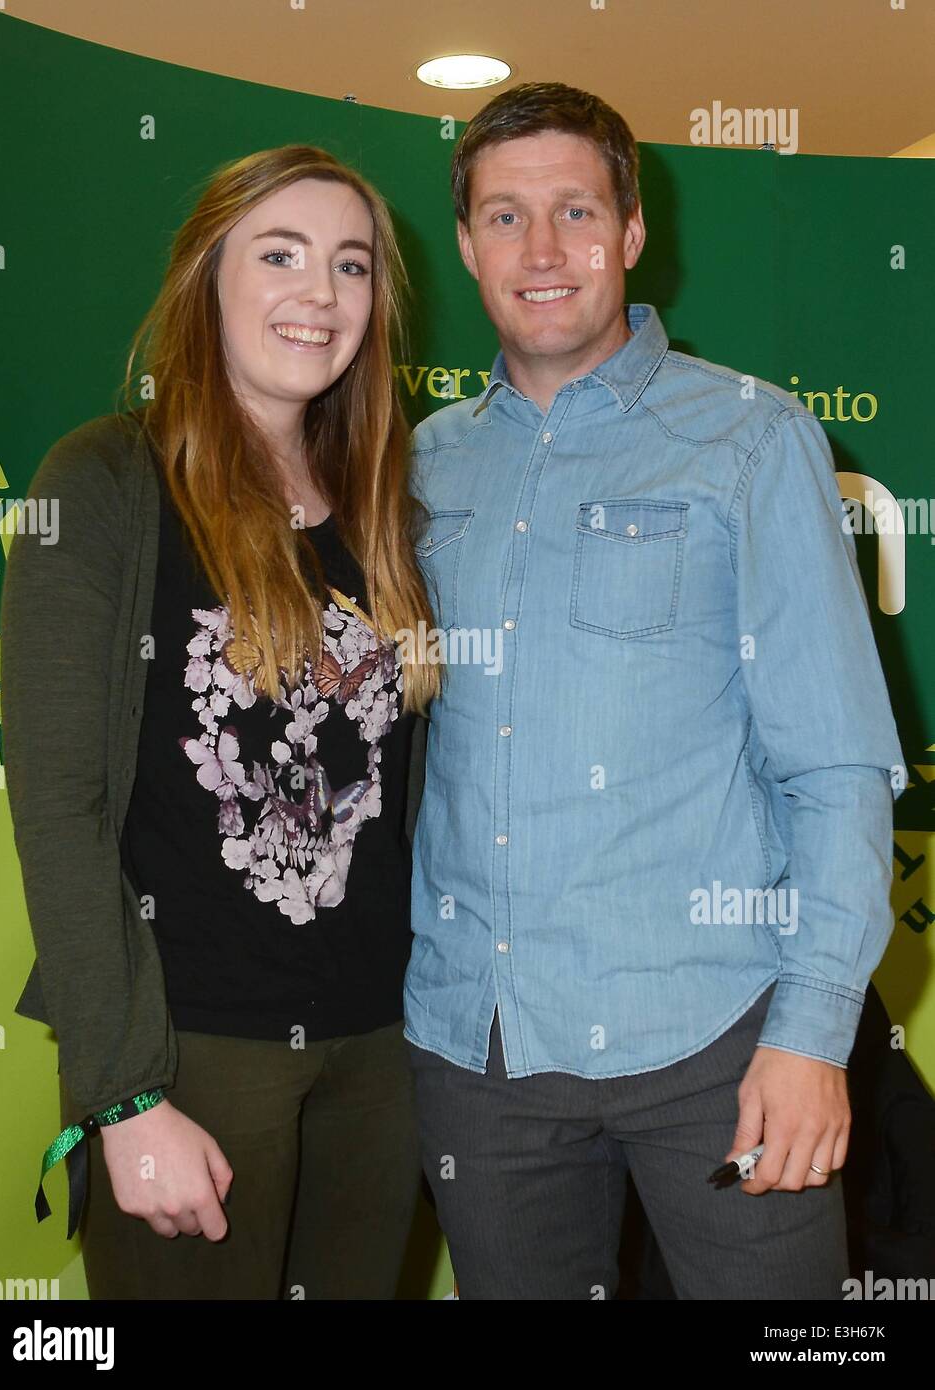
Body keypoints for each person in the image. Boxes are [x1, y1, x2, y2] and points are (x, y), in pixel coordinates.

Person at [404, 82, 906, 1300]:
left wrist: (812, 1031)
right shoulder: (416, 462)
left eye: (575, 211)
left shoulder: (751, 439)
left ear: (632, 234)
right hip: (480, 1047)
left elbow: (837, 764)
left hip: (719, 1045)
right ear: (467, 243)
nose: (542, 250)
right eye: (505, 216)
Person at [1, 144, 440, 1300]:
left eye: (352, 265)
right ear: (207, 277)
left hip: (381, 1053)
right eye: (281, 253)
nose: (321, 293)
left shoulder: (393, 508)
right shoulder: (100, 481)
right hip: (190, 1053)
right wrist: (125, 1094)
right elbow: (58, 808)